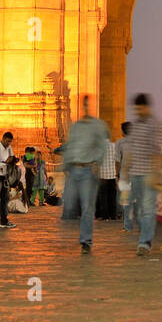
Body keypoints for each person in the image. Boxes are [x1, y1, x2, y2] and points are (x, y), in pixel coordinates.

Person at [55, 94, 110, 254]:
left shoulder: (98, 126)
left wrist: (97, 163)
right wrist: (65, 165)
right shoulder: (76, 126)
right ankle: (69, 236)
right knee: (68, 205)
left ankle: (86, 241)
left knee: (87, 207)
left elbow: (102, 146)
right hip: (74, 169)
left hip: (88, 169)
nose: (85, 107)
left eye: (88, 104)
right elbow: (71, 146)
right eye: (83, 104)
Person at [127, 93, 162, 256]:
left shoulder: (155, 125)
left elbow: (158, 151)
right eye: (135, 109)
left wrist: (156, 173)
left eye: (140, 108)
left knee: (147, 209)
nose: (138, 112)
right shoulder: (135, 125)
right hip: (135, 174)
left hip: (149, 174)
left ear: (146, 107)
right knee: (138, 210)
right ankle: (150, 232)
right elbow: (130, 150)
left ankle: (145, 242)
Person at [114, 122, 134, 231]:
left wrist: (117, 175)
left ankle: (128, 226)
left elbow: (117, 160)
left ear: (123, 131)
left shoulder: (120, 143)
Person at [97, 136, 119, 220]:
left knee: (103, 196)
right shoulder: (114, 146)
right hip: (112, 174)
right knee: (112, 196)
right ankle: (113, 215)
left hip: (102, 175)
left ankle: (104, 215)